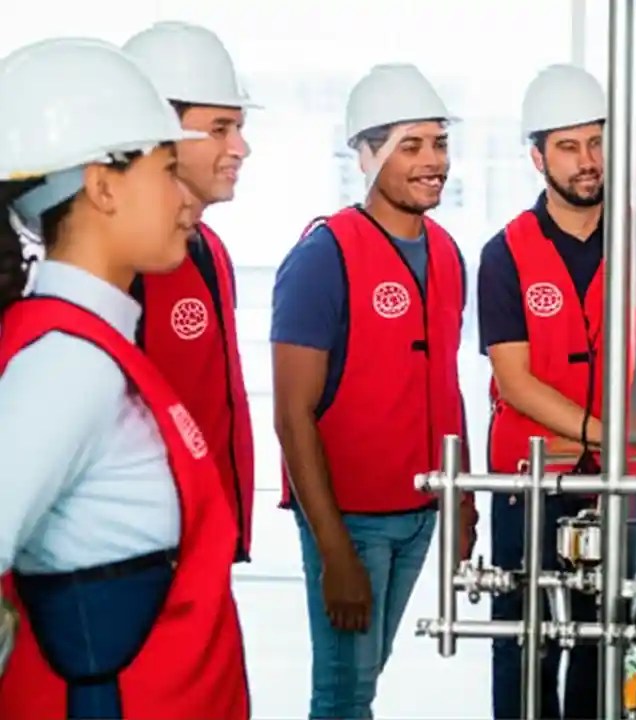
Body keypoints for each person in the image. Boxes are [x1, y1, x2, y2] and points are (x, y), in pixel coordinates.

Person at [0, 37, 248, 719]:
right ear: (102, 186)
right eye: (166, 169)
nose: (181, 194)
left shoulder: (95, 345)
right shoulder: (67, 365)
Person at [271, 62, 476, 719]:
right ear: (367, 155)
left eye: (439, 143)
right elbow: (292, 414)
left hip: (421, 510)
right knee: (343, 696)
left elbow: (445, 384)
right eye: (410, 147)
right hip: (351, 518)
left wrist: (463, 498)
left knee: (364, 679)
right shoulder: (322, 257)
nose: (433, 162)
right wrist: (334, 550)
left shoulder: (447, 253)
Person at [479, 63, 636, 720]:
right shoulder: (504, 254)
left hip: (621, 485)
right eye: (569, 146)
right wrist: (606, 434)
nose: (587, 161)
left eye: (596, 143)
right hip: (532, 483)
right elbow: (514, 380)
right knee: (526, 645)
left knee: (606, 645)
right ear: (538, 157)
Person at [122, 21, 257, 562]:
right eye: (220, 129)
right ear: (157, 133)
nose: (241, 148)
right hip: (145, 556)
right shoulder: (123, 264)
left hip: (208, 541)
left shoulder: (210, 250)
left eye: (239, 128)